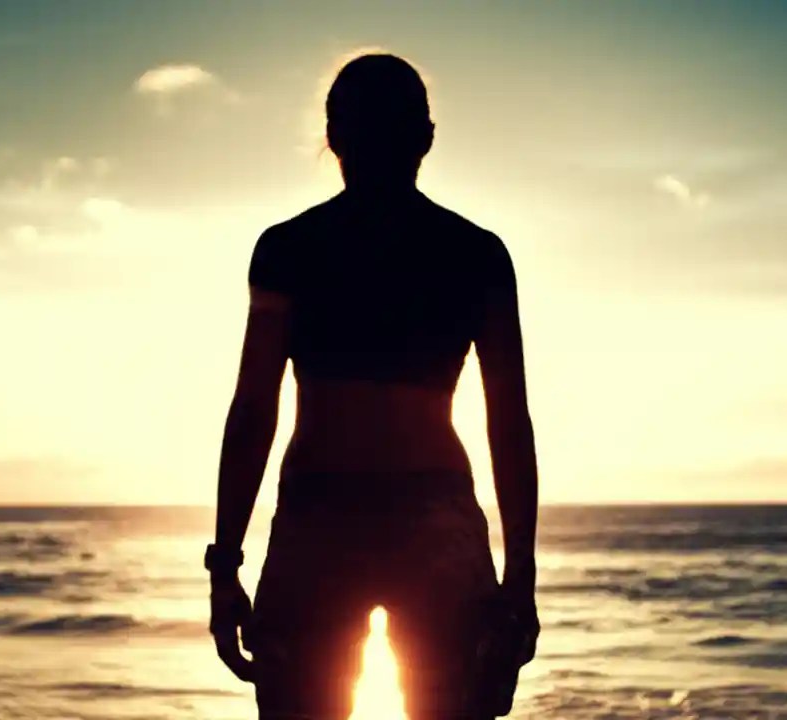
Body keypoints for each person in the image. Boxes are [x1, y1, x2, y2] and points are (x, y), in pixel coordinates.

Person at [205, 53, 539, 720]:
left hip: (320, 525)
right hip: (432, 524)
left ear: (333, 137)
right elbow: (510, 424)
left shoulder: (289, 250)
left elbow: (253, 414)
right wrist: (519, 578)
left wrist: (225, 564)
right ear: (426, 138)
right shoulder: (475, 254)